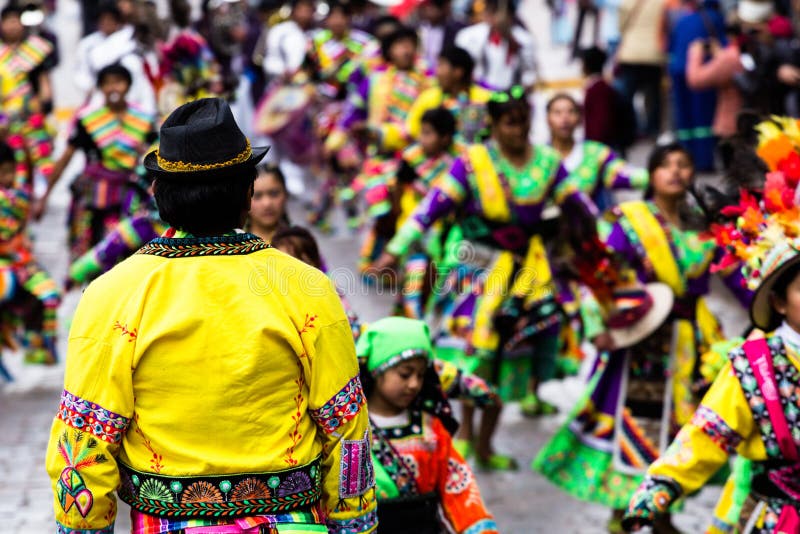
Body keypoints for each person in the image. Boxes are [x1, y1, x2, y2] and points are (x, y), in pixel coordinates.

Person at [45, 97, 377, 533]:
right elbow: (346, 427)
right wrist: (356, 526)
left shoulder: (113, 294)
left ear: (158, 193)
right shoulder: (308, 287)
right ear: (247, 193)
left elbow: (83, 443)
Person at [533, 143, 751, 533]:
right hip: (642, 340)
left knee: (680, 429)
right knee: (635, 426)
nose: (676, 171)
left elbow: (736, 278)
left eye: (684, 164)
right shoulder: (630, 222)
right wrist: (599, 326)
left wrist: (772, 302)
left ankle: (661, 512)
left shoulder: (704, 226)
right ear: (650, 174)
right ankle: (627, 511)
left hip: (690, 343)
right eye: (666, 164)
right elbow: (601, 274)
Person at [371, 87, 574, 468]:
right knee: (468, 357)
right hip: (473, 271)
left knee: (505, 360)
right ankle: (462, 436)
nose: (519, 130)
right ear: (494, 125)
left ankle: (485, 445)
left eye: (524, 121)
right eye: (510, 122)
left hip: (523, 275)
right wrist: (395, 249)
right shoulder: (471, 163)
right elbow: (430, 209)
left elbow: (579, 208)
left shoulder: (547, 162)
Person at [623, 168, 800, 533]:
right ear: (779, 302)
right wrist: (662, 485)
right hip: (779, 518)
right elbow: (709, 432)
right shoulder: (755, 367)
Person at [356, 316, 498, 534]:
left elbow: (458, 486)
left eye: (421, 375)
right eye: (405, 374)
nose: (414, 384)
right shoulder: (349, 429)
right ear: (376, 370)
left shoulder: (430, 429)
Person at [39, 63, 157, 264]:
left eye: (118, 82)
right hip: (93, 198)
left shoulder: (143, 119)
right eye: (107, 83)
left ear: (128, 86)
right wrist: (44, 196)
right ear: (100, 88)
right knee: (91, 251)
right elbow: (66, 158)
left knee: (125, 252)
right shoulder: (88, 119)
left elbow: (156, 157)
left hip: (128, 197)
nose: (113, 88)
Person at [395, 107, 465, 320]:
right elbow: (399, 186)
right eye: (421, 132)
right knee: (414, 279)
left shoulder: (461, 159)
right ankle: (409, 319)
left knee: (443, 280)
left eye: (427, 133)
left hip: (449, 232)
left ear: (445, 138)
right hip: (416, 228)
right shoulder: (412, 157)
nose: (421, 139)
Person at [0, 135, 59, 366]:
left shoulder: (19, 195)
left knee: (50, 295)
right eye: (3, 172)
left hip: (19, 263)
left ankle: (36, 351)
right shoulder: (16, 197)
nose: (8, 177)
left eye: (10, 171)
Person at [547, 93, 647, 214]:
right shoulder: (539, 157)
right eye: (557, 112)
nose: (565, 118)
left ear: (579, 118)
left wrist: (654, 175)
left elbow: (622, 172)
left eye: (571, 112)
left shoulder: (595, 152)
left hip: (594, 227)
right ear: (548, 118)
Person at [0, 4, 57, 182]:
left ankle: (35, 198)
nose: (11, 25)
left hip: (31, 114)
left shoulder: (36, 49)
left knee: (38, 157)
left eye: (15, 21)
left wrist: (44, 105)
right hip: (4, 119)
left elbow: (43, 81)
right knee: (12, 160)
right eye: (7, 21)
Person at [74, 1, 156, 115]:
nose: (106, 23)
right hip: (101, 99)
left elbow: (142, 72)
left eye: (110, 19)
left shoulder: (131, 40)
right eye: (102, 20)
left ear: (117, 21)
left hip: (133, 98)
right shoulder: (87, 45)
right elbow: (82, 74)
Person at [405, 45, 491, 145]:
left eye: (441, 65)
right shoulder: (428, 97)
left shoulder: (484, 99)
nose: (437, 72)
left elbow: (476, 140)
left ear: (458, 72)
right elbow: (412, 129)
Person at [454, 0, 537, 91]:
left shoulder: (522, 39)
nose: (497, 18)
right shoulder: (468, 36)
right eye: (492, 11)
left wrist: (517, 92)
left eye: (500, 12)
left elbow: (529, 74)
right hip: (477, 94)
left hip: (509, 96)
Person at [613, 0, 667, 139]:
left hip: (631, 53)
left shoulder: (628, 2)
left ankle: (630, 129)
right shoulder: (663, 2)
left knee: (628, 95)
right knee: (654, 96)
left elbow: (620, 26)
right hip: (654, 54)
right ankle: (652, 129)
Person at [247, 164, 291, 243]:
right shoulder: (231, 244)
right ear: (245, 200)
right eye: (257, 196)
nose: (267, 204)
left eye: (274, 194)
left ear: (286, 194)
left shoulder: (300, 242)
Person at [417, 0, 464, 67]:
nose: (430, 9)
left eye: (434, 6)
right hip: (419, 72)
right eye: (428, 6)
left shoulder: (454, 30)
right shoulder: (417, 28)